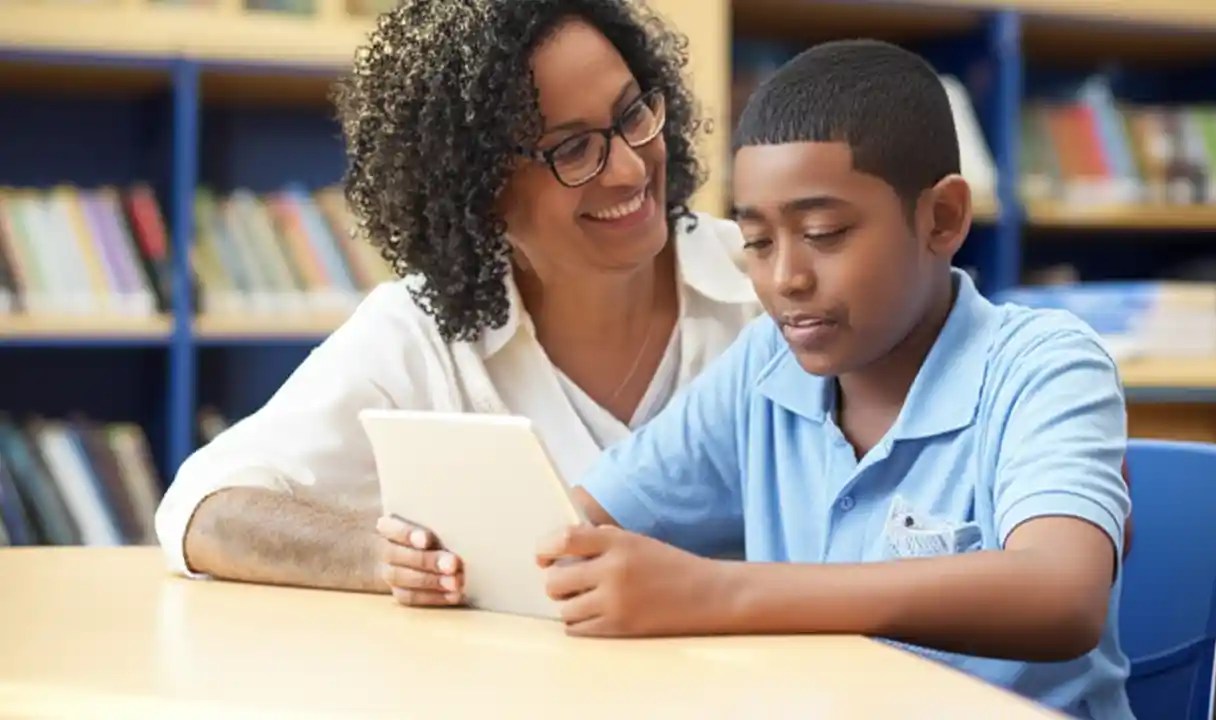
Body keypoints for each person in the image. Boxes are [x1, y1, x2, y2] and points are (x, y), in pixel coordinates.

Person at [534, 39, 1134, 719]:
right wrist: (440, 556)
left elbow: (1062, 594)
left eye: (823, 232)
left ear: (942, 218)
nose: (785, 277)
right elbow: (570, 526)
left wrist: (717, 593)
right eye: (757, 243)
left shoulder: (1045, 366)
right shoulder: (765, 366)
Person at [154, 0, 760, 598]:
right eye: (573, 149)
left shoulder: (769, 286)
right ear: (477, 189)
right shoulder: (421, 331)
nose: (629, 170)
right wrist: (379, 557)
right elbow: (203, 510)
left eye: (632, 116)